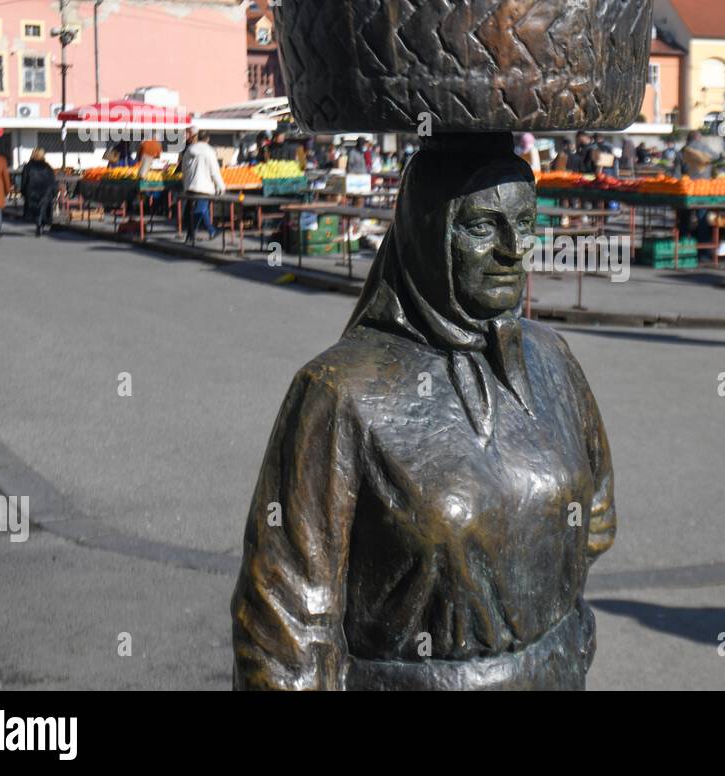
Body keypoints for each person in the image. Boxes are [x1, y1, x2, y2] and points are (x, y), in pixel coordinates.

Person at [231, 147, 614, 690]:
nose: (513, 248)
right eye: (482, 226)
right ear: (427, 232)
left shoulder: (553, 360)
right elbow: (285, 623)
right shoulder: (340, 392)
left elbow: (596, 517)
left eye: (526, 223)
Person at [181, 130, 225, 244]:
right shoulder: (209, 151)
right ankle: (191, 234)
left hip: (190, 186)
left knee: (202, 209)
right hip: (204, 187)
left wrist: (185, 182)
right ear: (208, 139)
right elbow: (214, 171)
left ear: (198, 137)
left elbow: (183, 168)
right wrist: (221, 186)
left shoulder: (189, 150)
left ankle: (211, 231)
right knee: (200, 210)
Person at [21, 148, 57, 236]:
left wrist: (23, 191)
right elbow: (52, 180)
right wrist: (54, 191)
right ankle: (41, 224)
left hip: (32, 191)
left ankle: (38, 223)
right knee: (43, 208)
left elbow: (24, 180)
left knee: (35, 208)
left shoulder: (28, 166)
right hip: (45, 190)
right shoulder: (47, 167)